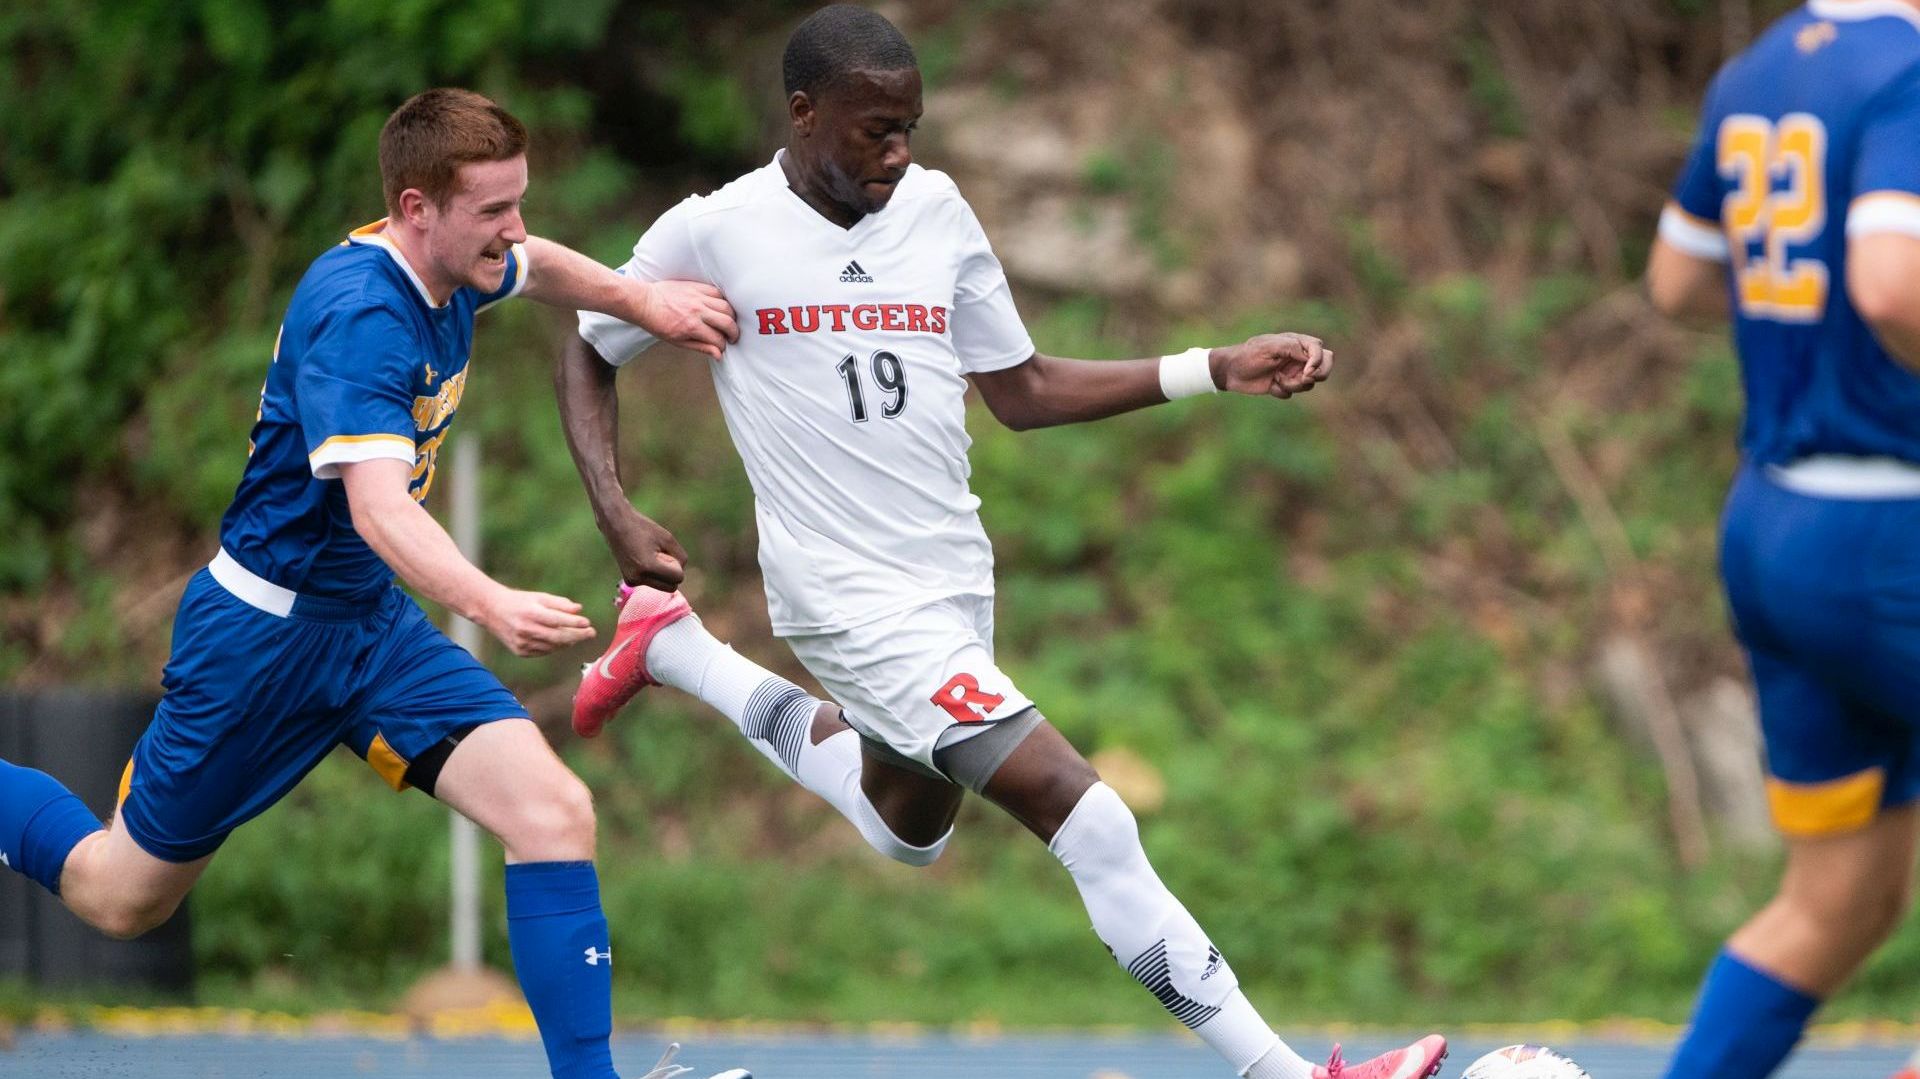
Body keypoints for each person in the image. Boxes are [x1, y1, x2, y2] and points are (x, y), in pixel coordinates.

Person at [556, 8, 1447, 1079]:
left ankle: (675, 648)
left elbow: (1019, 389)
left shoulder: (934, 209)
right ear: (802, 114)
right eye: (874, 131)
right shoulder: (712, 229)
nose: (899, 153)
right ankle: (1292, 1072)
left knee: (907, 824)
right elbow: (588, 345)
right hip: (841, 595)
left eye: (910, 128)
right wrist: (615, 506)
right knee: (1087, 809)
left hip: (951, 581)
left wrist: (1210, 364)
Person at [0, 88, 747, 1079]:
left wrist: (643, 300)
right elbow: (380, 510)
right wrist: (492, 602)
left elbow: (541, 264)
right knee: (119, 895)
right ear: (415, 206)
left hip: (370, 631)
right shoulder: (361, 315)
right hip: (258, 643)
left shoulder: (459, 261)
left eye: (518, 202)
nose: (513, 229)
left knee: (552, 811)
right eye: (493, 210)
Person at [1646, 2, 1920, 1076]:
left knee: (1835, 903)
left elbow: (1675, 281)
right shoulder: (1905, 71)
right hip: (1886, 524)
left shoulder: (1757, 72)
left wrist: (1805, 336)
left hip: (1772, 524)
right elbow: (1891, 282)